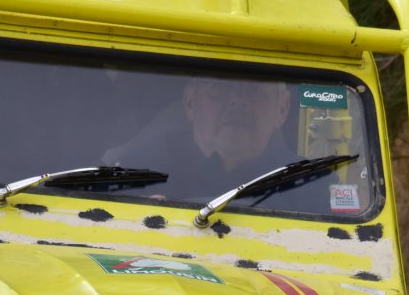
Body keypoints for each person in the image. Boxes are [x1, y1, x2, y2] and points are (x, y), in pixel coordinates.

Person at [104, 75, 297, 202]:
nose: (237, 101)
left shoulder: (308, 181)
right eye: (219, 88)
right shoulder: (137, 170)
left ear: (282, 108)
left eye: (254, 91)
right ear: (190, 101)